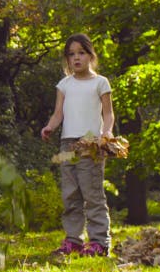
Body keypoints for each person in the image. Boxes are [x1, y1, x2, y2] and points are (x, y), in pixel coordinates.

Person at [41, 33, 115, 257]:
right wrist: (49, 127)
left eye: (81, 53)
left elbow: (109, 114)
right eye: (71, 54)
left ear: (91, 55)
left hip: (91, 144)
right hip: (67, 145)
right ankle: (73, 239)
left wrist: (106, 133)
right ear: (67, 59)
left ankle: (100, 242)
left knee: (92, 193)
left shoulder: (101, 83)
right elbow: (58, 114)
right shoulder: (64, 84)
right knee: (70, 193)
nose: (76, 58)